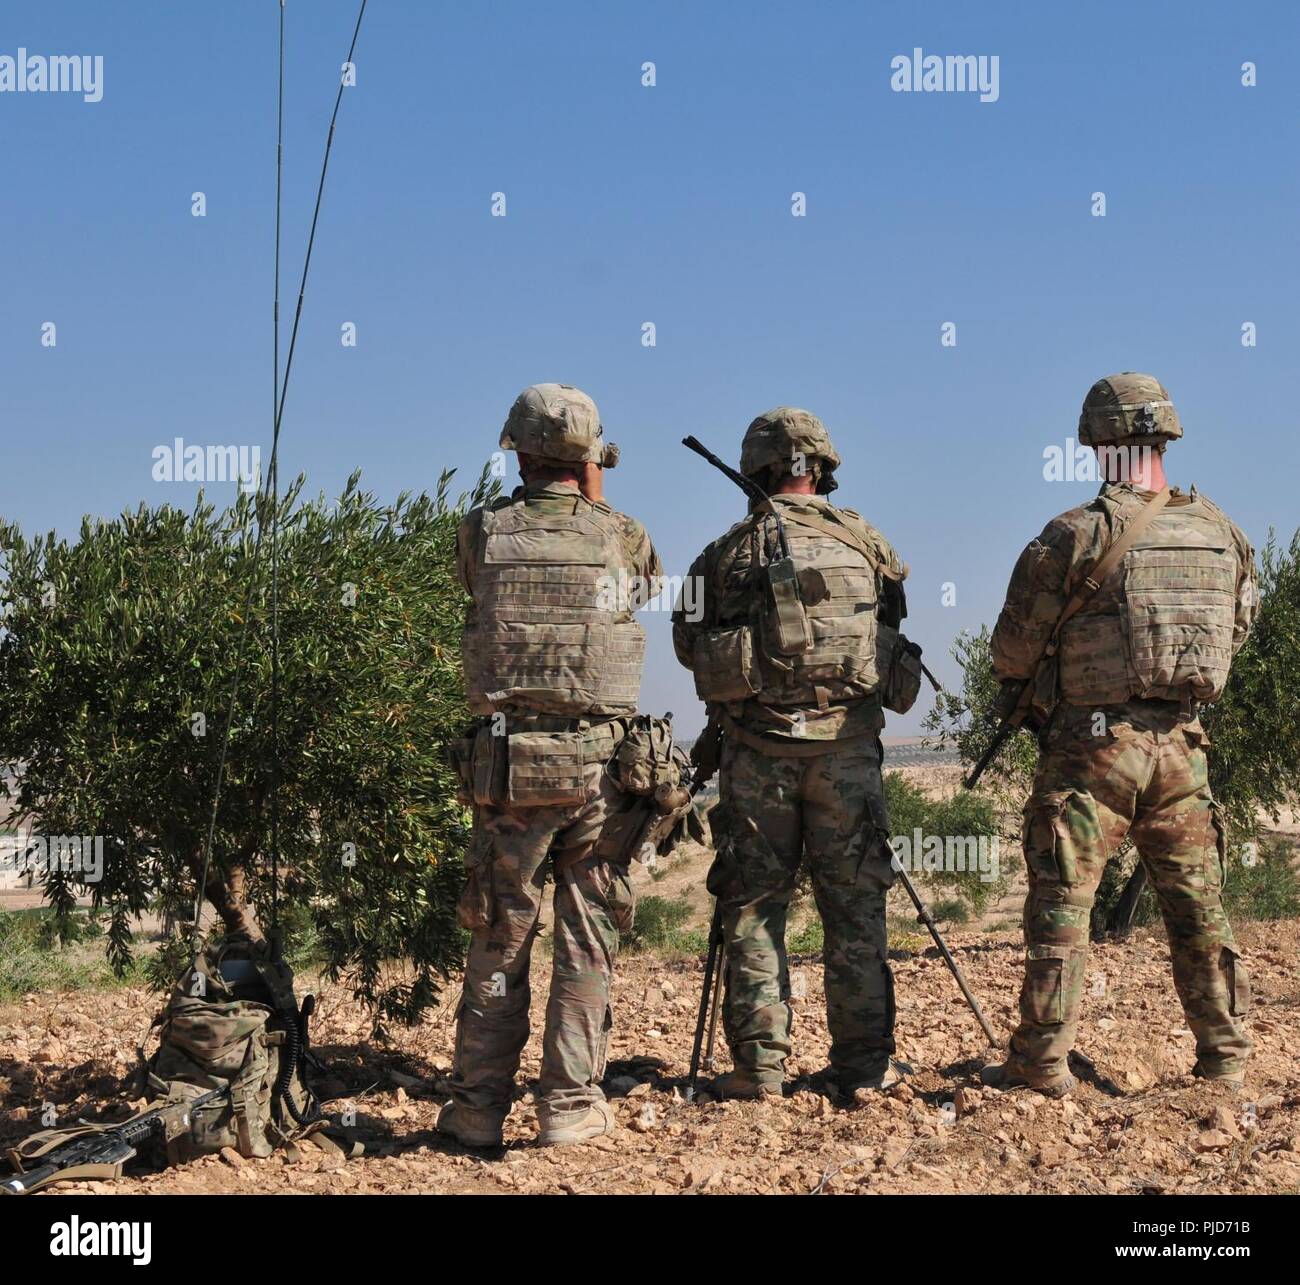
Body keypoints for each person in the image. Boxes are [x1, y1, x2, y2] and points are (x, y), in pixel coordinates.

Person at [982, 372, 1257, 1098]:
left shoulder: (1075, 535)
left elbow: (1011, 650)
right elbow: (1240, 628)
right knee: (1199, 909)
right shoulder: (1221, 532)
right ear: (1165, 436)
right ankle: (1225, 1059)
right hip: (1183, 750)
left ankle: (1041, 1062)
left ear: (1099, 443)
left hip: (1093, 750)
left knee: (1062, 908)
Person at [672, 407, 926, 1098]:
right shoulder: (868, 544)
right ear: (820, 468)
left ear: (754, 470)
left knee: (754, 909)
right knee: (857, 911)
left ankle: (758, 1071)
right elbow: (892, 625)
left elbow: (688, 644)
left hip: (758, 758)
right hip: (848, 758)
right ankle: (865, 1066)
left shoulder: (725, 556)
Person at [438, 383, 665, 1147]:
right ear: (590, 456)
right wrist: (595, 493)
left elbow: (477, 584)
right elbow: (642, 583)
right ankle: (568, 1107)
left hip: (509, 774)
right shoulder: (622, 534)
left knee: (501, 939)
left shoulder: (481, 532)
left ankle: (475, 1111)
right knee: (585, 940)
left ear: (520, 451)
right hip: (599, 775)